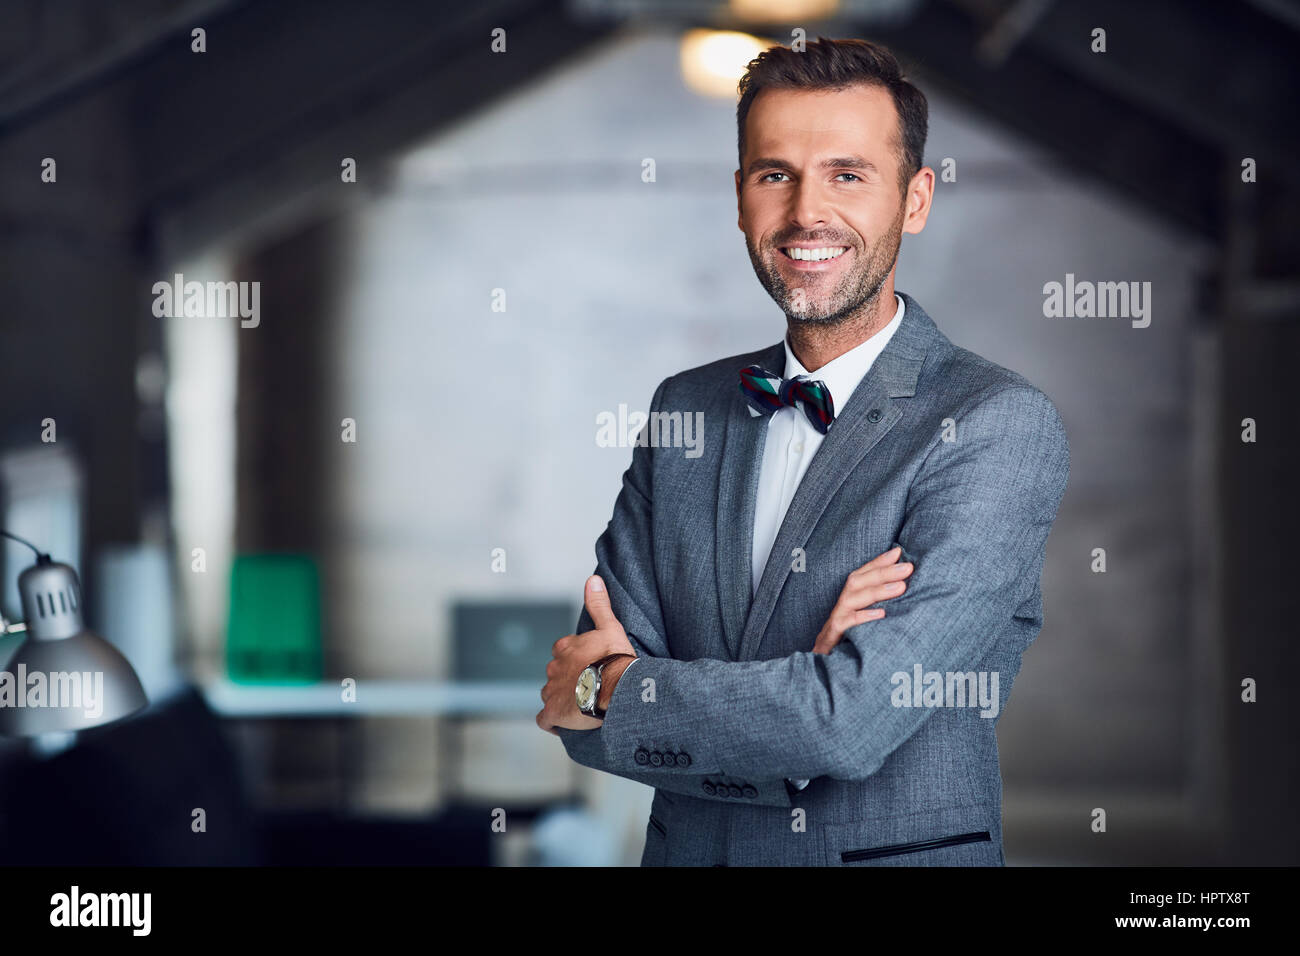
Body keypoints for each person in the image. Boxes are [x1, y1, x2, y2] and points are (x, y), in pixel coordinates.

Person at [537, 36, 1069, 866]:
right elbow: (576, 722)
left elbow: (849, 725)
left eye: (848, 175)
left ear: (916, 198)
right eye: (774, 174)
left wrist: (620, 692)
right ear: (741, 197)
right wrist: (797, 692)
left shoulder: (998, 425)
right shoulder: (687, 408)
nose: (805, 213)